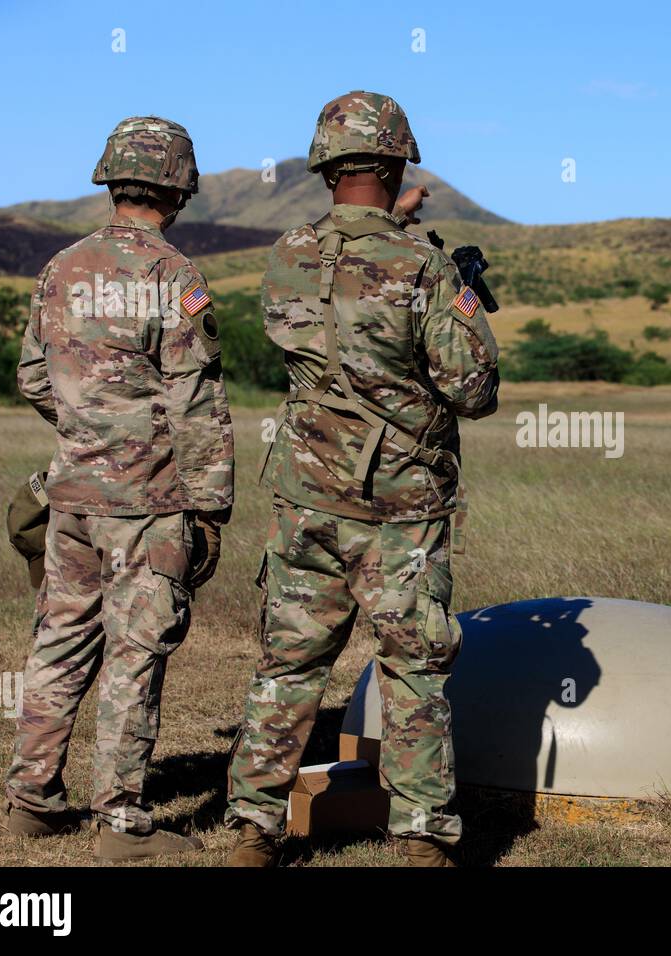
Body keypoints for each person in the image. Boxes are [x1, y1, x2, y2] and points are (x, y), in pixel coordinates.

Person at [225, 91, 499, 867]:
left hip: (306, 496)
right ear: (394, 162)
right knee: (413, 669)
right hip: (398, 508)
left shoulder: (285, 255)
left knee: (288, 663)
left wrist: (398, 228)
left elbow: (347, 289)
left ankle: (253, 826)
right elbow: (472, 391)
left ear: (326, 168)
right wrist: (466, 295)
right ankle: (419, 837)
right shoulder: (426, 270)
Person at [6, 117, 235, 861]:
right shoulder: (173, 274)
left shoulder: (61, 266)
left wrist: (86, 426)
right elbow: (194, 397)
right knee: (136, 653)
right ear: (179, 186)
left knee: (60, 641)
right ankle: (121, 822)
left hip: (71, 493)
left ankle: (32, 800)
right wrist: (209, 502)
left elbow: (33, 374)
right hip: (148, 503)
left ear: (112, 178)